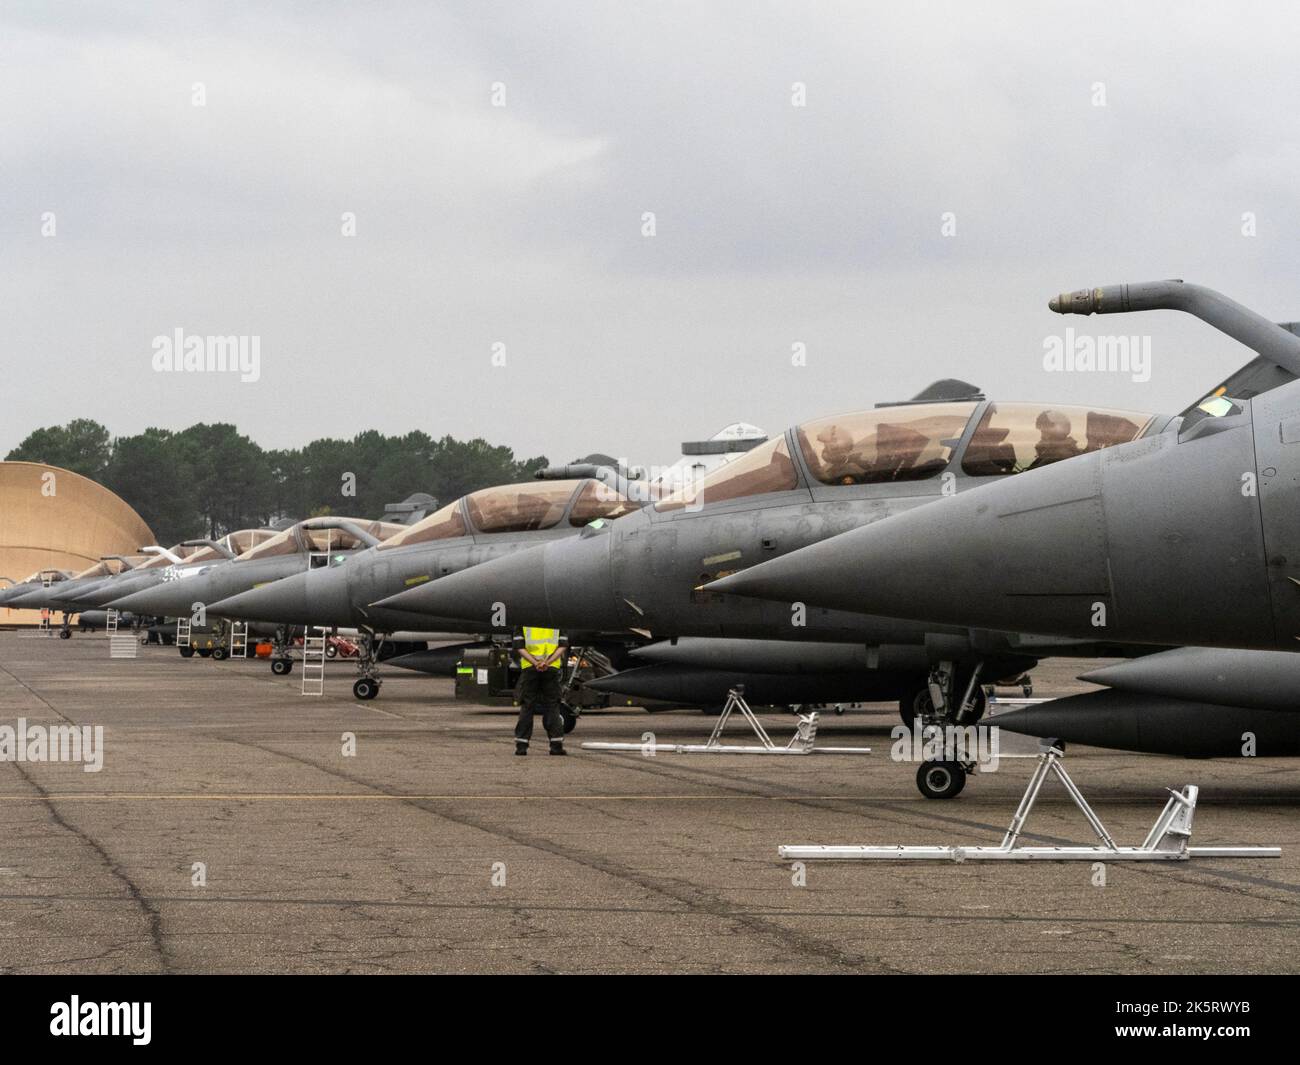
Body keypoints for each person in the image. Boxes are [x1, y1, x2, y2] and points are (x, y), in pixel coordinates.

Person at [513, 625, 568, 756]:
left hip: (529, 668)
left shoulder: (522, 620)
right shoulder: (557, 619)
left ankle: (522, 746)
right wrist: (547, 662)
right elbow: (563, 645)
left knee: (527, 705)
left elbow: (519, 647)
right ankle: (556, 746)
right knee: (552, 705)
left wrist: (535, 662)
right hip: (551, 668)